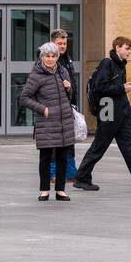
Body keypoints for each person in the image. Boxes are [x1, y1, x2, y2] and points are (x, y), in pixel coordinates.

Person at [72, 36, 131, 193]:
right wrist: (122, 88)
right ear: (117, 47)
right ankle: (81, 178)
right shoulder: (107, 63)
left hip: (121, 113)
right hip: (109, 113)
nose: (129, 52)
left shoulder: (120, 65)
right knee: (99, 146)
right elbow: (100, 86)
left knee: (129, 148)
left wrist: (125, 100)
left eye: (130, 48)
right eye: (127, 48)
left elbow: (115, 88)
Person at [18, 41, 76, 202]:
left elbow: (69, 96)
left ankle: (60, 190)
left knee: (62, 157)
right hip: (47, 122)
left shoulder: (62, 71)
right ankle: (44, 190)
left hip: (64, 121)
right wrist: (42, 108)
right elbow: (24, 98)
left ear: (57, 57)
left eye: (53, 56)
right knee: (45, 157)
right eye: (47, 56)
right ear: (42, 57)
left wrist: (68, 88)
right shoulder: (36, 75)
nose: (50, 59)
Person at [49, 29, 78, 182]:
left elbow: (71, 82)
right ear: (52, 42)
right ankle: (53, 174)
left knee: (69, 141)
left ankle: (71, 172)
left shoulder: (67, 59)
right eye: (59, 43)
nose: (62, 46)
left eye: (65, 43)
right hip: (55, 109)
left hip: (68, 106)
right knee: (55, 144)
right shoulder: (49, 59)